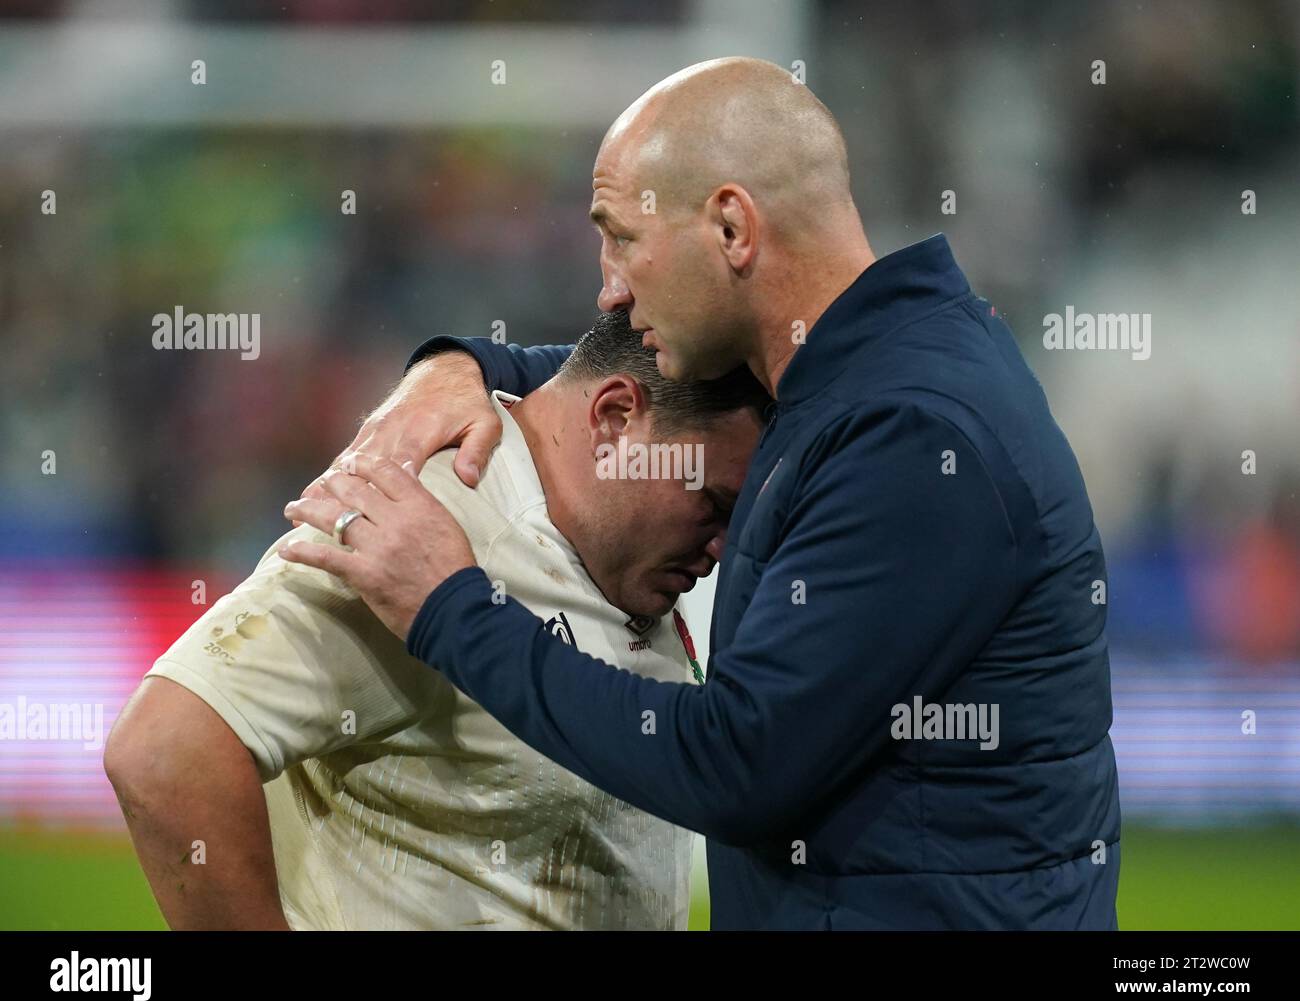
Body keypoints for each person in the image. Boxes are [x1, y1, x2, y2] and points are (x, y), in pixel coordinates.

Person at [286, 57, 1122, 930]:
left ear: (731, 228)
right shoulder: (870, 366)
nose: (610, 285)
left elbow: (737, 764)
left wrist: (451, 606)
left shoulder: (910, 436)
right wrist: (465, 364)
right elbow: (622, 383)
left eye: (622, 237)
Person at [104, 310, 766, 930]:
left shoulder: (626, 541)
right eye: (712, 501)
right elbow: (163, 750)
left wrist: (455, 362)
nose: (724, 545)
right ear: (618, 418)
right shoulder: (424, 521)